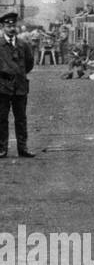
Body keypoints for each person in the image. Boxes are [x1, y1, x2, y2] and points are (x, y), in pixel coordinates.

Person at [0, 11, 37, 159]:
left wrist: (18, 74)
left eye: (14, 25)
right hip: (2, 86)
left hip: (20, 86)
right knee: (1, 118)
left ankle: (23, 148)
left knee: (21, 119)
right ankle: (2, 148)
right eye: (8, 26)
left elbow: (29, 63)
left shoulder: (24, 45)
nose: (11, 29)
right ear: (3, 27)